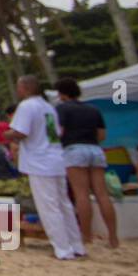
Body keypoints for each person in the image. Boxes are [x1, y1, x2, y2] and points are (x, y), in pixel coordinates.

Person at [6, 75, 84, 260]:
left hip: (40, 162)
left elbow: (21, 132)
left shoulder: (27, 106)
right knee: (64, 205)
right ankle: (76, 245)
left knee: (49, 206)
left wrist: (6, 133)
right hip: (56, 158)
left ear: (24, 88)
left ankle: (62, 249)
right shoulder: (49, 107)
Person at [55, 77, 117, 248]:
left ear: (62, 94)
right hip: (95, 150)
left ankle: (86, 236)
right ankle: (113, 237)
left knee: (81, 195)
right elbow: (102, 135)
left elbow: (58, 132)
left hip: (74, 150)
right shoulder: (93, 109)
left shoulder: (62, 109)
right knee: (102, 194)